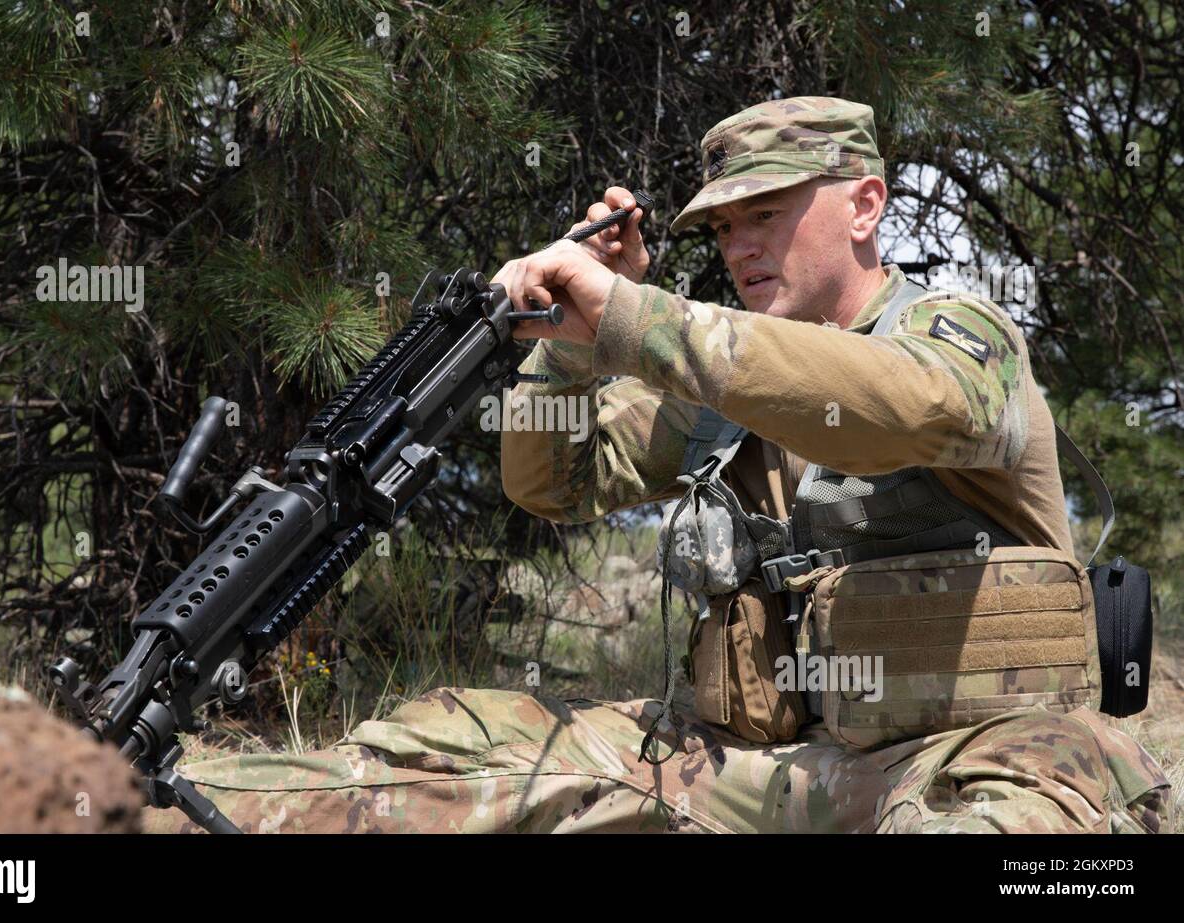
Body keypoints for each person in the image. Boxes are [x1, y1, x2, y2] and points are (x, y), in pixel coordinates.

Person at [143, 97, 1170, 834]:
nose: (738, 246)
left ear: (865, 205)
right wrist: (570, 339)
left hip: (968, 752)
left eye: (765, 212)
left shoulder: (960, 333)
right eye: (722, 228)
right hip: (746, 763)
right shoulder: (718, 388)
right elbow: (550, 482)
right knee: (440, 742)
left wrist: (646, 318)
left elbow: (899, 409)